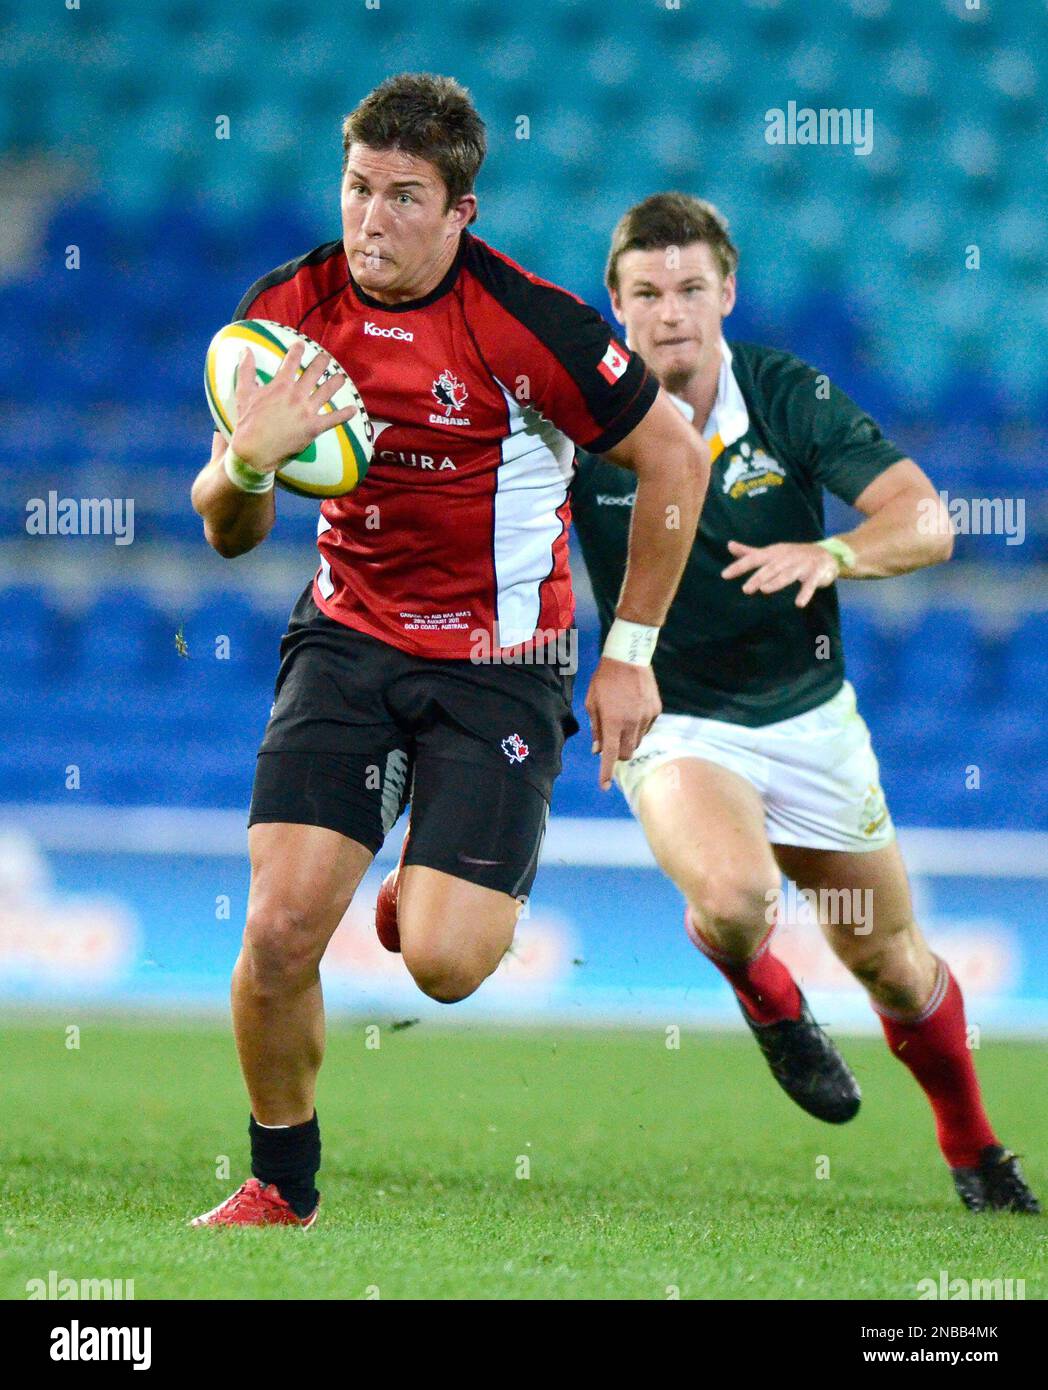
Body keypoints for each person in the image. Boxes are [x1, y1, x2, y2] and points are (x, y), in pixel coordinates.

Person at [188, 79, 709, 1227]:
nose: (371, 219)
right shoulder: (284, 313)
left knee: (446, 963)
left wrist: (629, 653)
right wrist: (252, 460)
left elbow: (675, 461)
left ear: (459, 210)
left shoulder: (531, 323)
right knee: (277, 930)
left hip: (499, 662)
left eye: (404, 197)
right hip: (347, 636)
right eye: (358, 188)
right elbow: (225, 531)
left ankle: (426, 865)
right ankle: (281, 1183)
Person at [570, 192, 1039, 1214]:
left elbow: (924, 519)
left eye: (692, 288)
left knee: (894, 967)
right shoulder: (583, 416)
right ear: (615, 304)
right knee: (737, 902)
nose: (671, 313)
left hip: (808, 719)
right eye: (646, 292)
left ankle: (972, 1145)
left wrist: (826, 552)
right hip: (678, 721)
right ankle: (768, 1000)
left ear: (726, 293)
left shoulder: (783, 392)